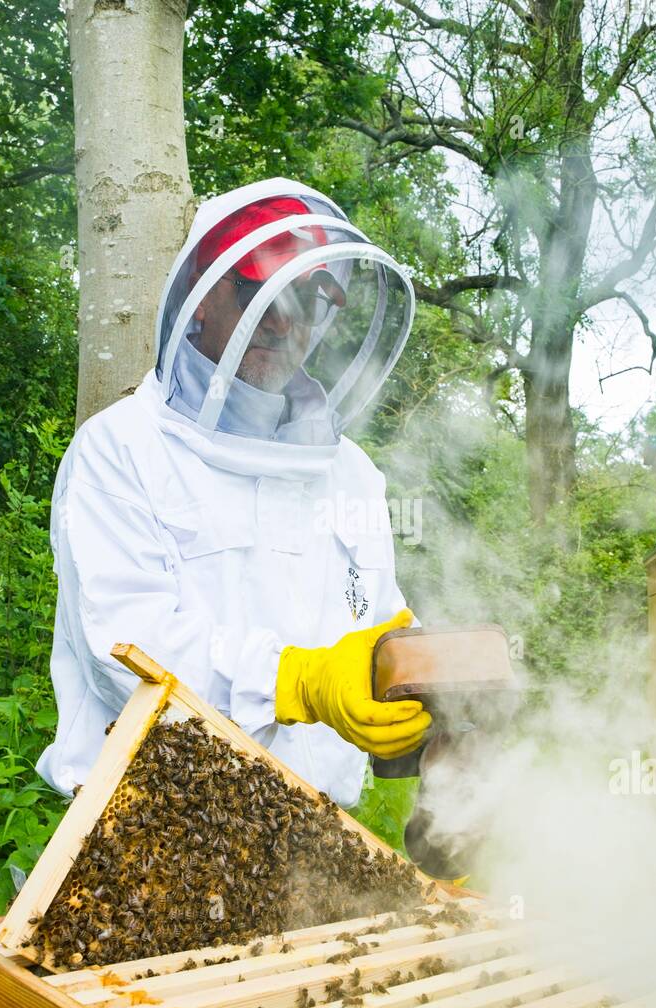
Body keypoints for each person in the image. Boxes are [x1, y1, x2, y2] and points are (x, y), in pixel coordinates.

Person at [36, 177, 432, 808]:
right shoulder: (119, 448)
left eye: (305, 295)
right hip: (152, 830)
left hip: (324, 841)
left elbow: (381, 625)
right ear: (198, 296)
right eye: (255, 289)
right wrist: (295, 681)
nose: (282, 319)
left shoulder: (351, 473)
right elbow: (124, 645)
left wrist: (447, 728)